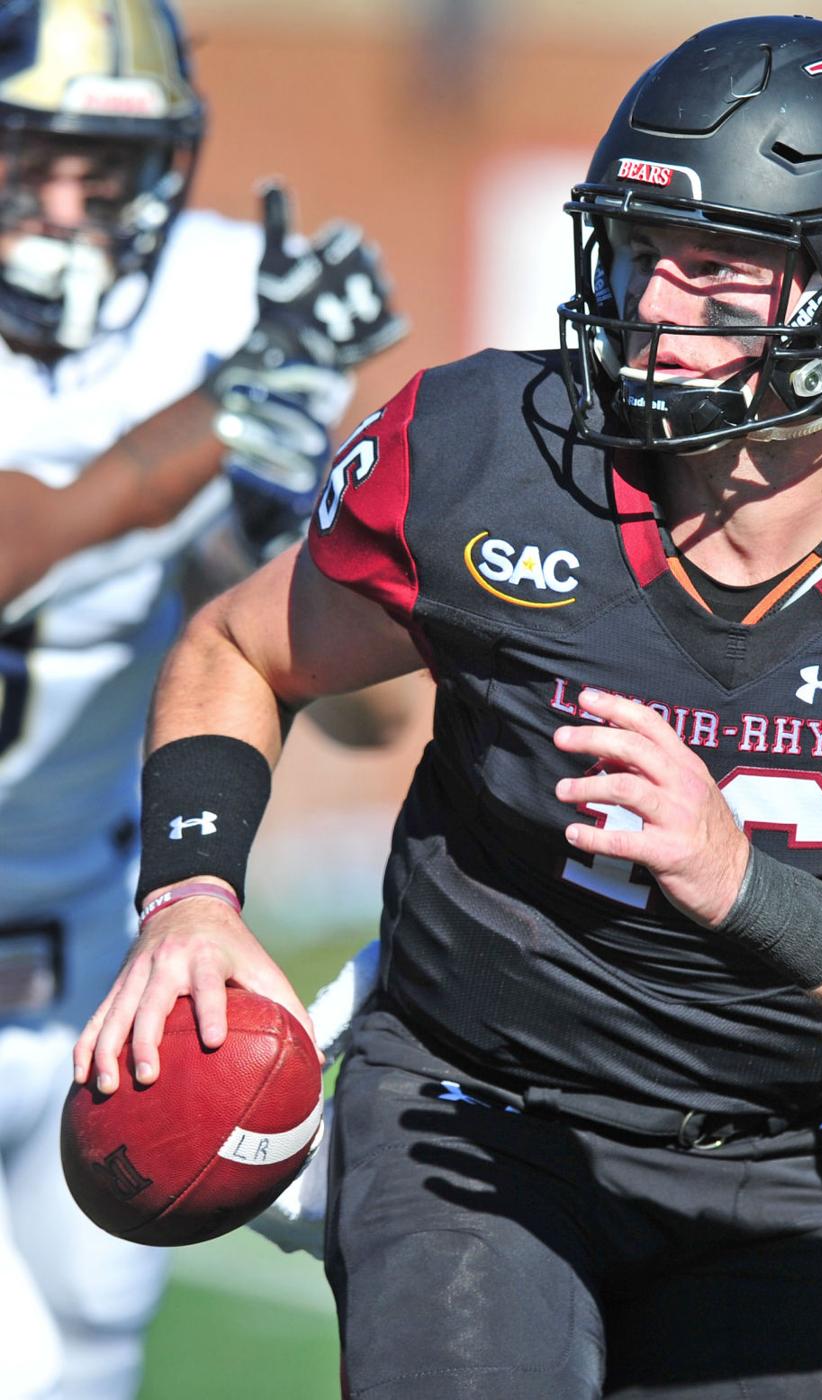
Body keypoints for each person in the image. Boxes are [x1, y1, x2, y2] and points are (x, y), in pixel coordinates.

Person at [76, 15, 822, 1399]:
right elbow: (236, 646)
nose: (656, 301)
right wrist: (193, 902)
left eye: (725, 267)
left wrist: (743, 884)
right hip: (472, 1119)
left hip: (773, 1161)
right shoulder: (492, 457)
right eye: (643, 251)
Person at [0, 2, 408, 1397]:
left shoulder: (225, 291)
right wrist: (221, 415)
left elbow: (356, 716)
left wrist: (264, 534)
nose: (65, 206)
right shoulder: (228, 358)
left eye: (102, 168)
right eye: (23, 157)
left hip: (92, 943)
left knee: (92, 1346)